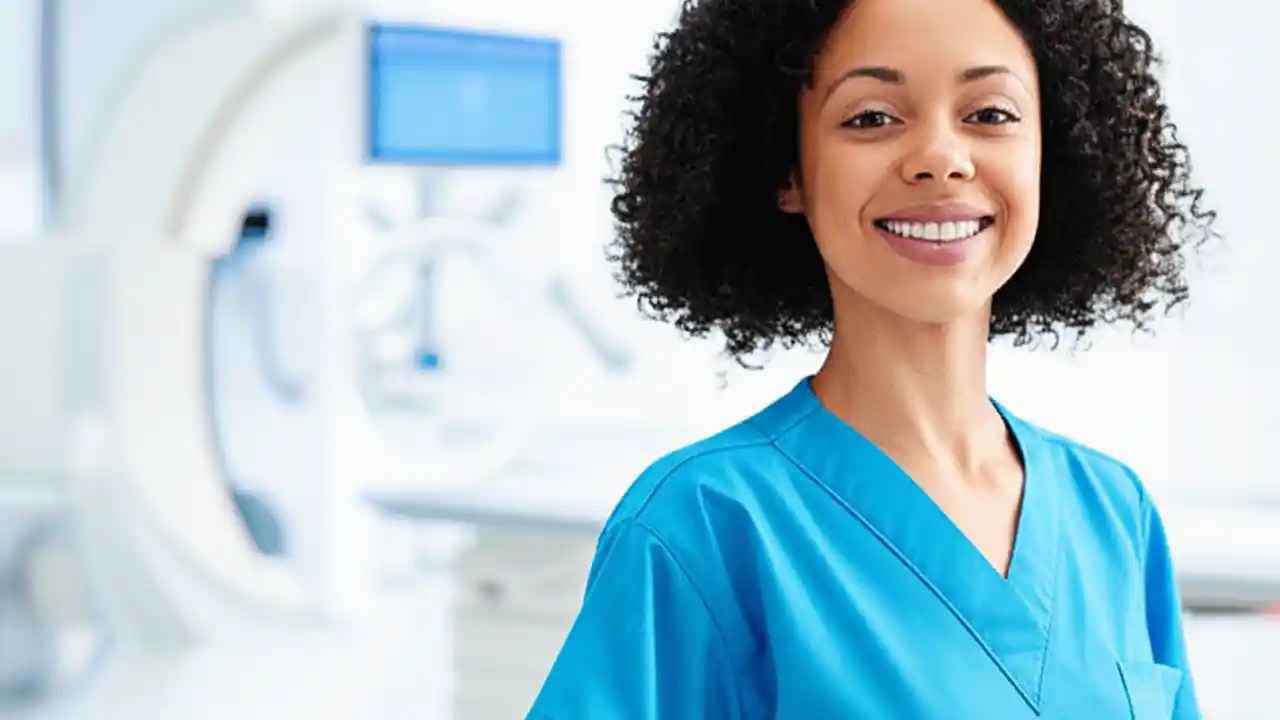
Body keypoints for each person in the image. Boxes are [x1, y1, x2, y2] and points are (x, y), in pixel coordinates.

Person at [527, 0, 1217, 717]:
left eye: (990, 114)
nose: (941, 160)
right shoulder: (702, 528)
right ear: (786, 170)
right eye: (871, 118)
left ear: (1057, 151)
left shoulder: (1113, 513)